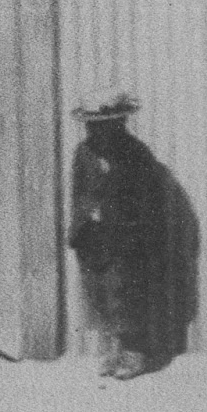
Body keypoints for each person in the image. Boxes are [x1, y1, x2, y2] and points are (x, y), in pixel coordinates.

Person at [69, 89, 166, 380]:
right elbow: (77, 192)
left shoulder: (136, 153)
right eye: (91, 124)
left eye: (104, 124)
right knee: (98, 292)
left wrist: (133, 227)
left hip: (124, 237)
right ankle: (115, 349)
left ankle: (135, 352)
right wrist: (81, 222)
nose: (96, 130)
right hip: (91, 235)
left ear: (120, 123)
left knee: (124, 292)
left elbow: (148, 199)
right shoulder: (83, 152)